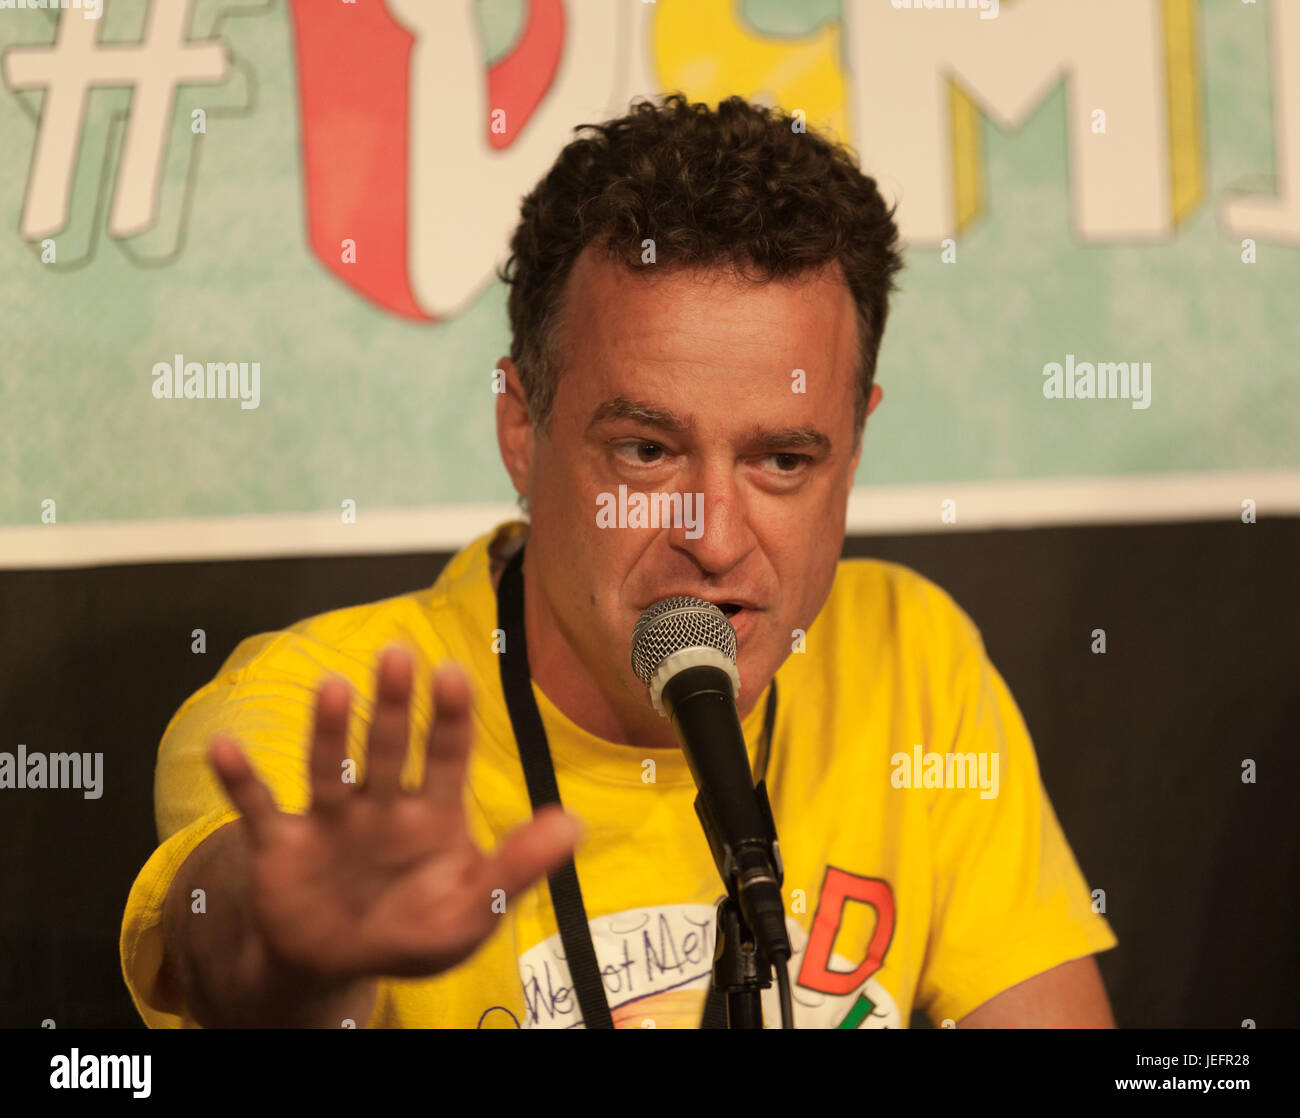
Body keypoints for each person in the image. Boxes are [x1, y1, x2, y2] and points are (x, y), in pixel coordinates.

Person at [120, 92, 1117, 1029]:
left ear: (852, 445)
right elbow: (234, 943)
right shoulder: (322, 704)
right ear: (522, 425)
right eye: (646, 450)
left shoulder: (907, 656)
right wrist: (299, 951)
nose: (715, 535)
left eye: (781, 459)